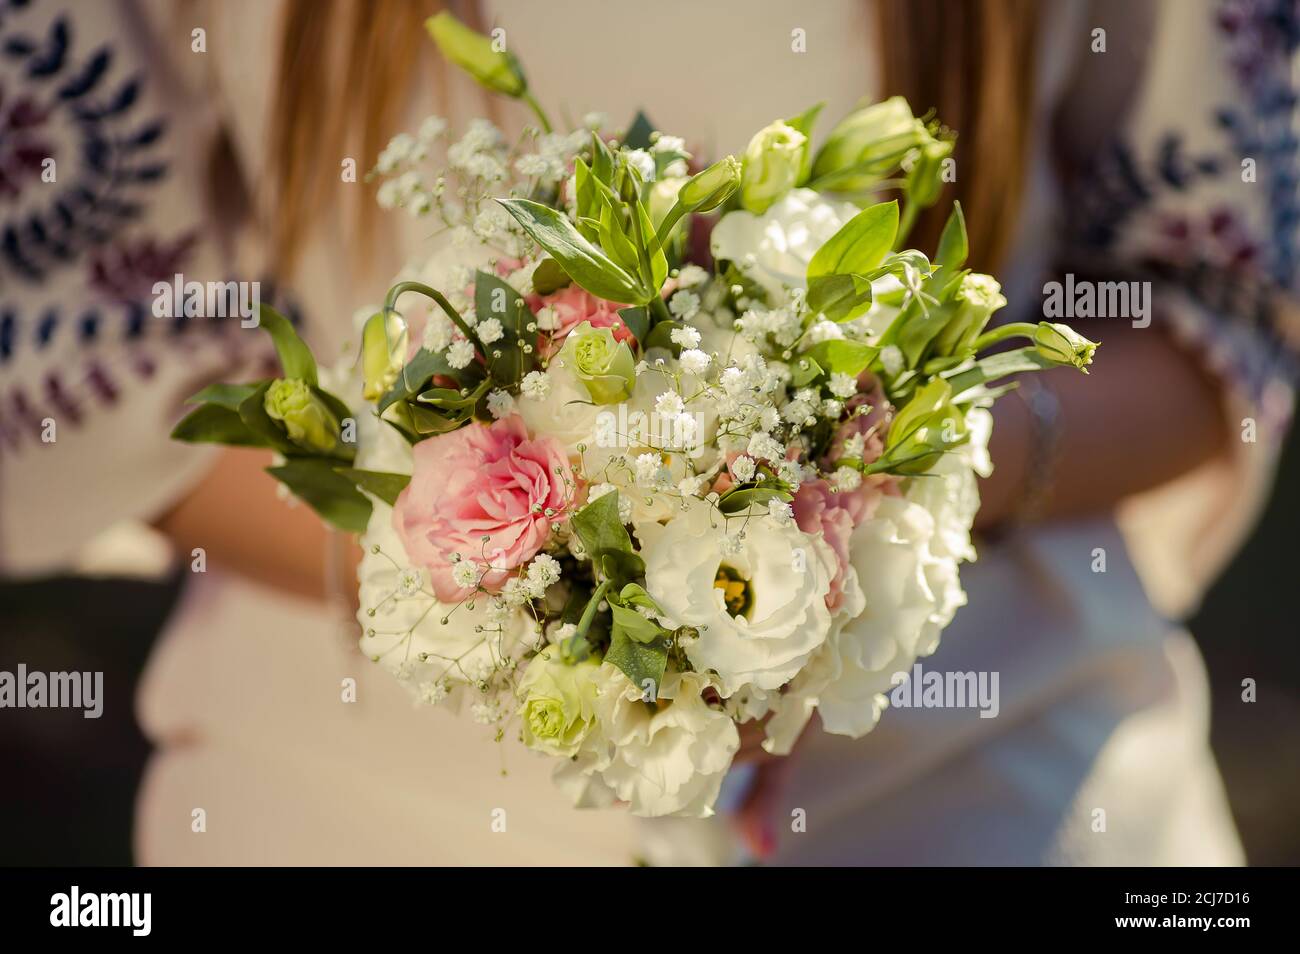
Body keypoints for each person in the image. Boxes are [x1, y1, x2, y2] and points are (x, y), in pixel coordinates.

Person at [3, 0, 1295, 864]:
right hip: (344, 808)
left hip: (1010, 797)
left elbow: (1223, 291)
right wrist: (509, 593)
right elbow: (78, 347)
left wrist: (910, 473)